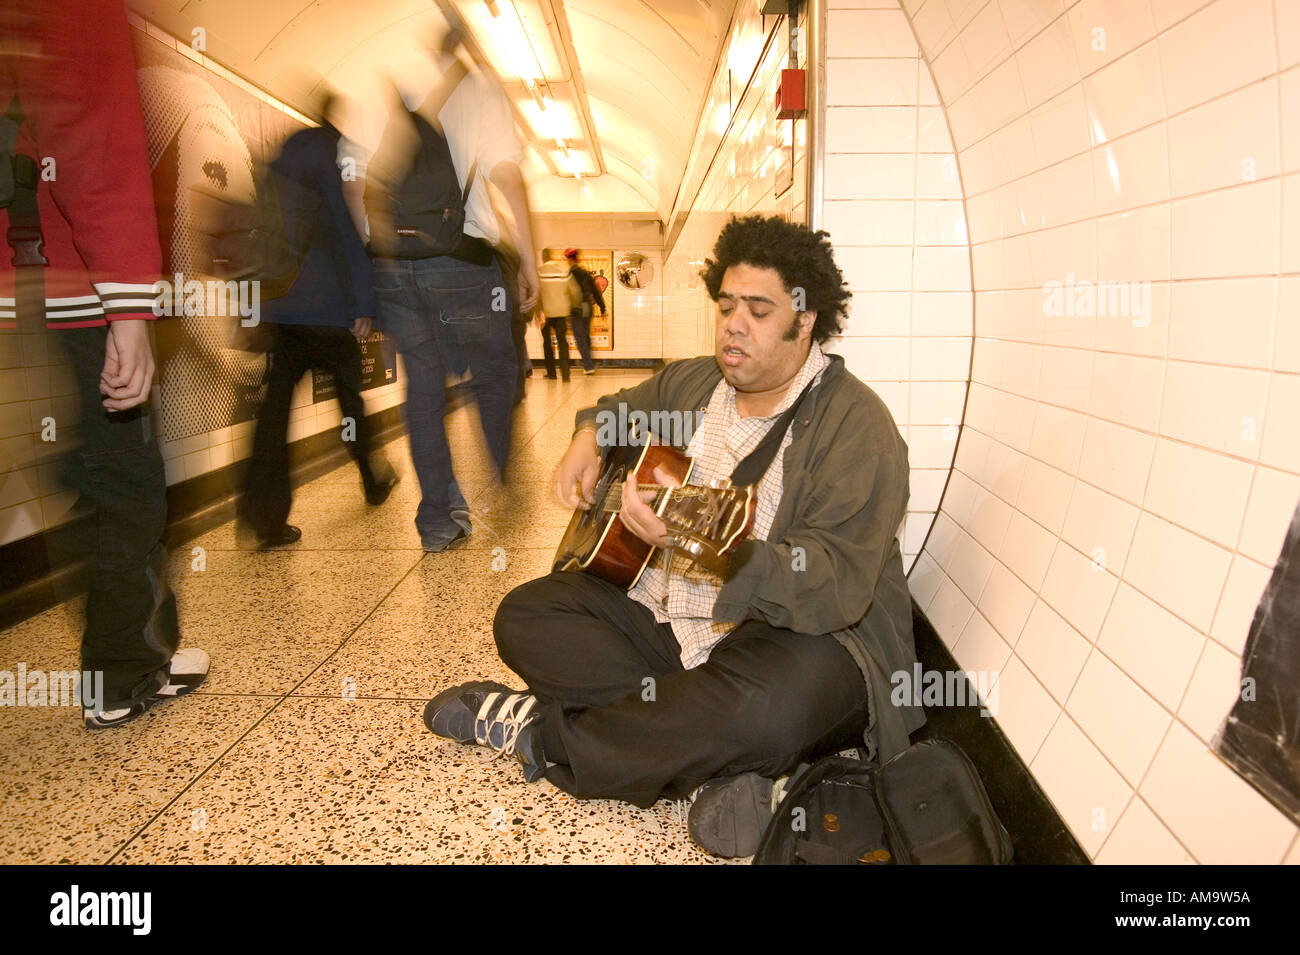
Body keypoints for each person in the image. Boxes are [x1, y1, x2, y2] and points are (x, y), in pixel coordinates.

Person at [423, 215, 924, 856]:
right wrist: (588, 435)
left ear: (805, 321)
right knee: (528, 615)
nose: (733, 325)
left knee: (766, 710)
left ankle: (544, 734)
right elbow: (624, 405)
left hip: (798, 644)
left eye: (759, 311)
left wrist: (703, 547)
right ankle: (731, 761)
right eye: (726, 306)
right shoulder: (696, 385)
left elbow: (831, 587)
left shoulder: (856, 427)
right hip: (672, 626)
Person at [0, 0, 209, 728]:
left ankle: (144, 640)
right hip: (67, 277)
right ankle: (122, 671)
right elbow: (90, 125)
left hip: (21, 271)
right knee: (124, 475)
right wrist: (128, 303)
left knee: (88, 466)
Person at [358, 30, 538, 552]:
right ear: (466, 45)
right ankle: (503, 474)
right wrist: (527, 257)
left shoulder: (386, 84)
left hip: (393, 267)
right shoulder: (483, 90)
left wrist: (377, 266)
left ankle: (438, 518)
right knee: (497, 370)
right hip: (460, 261)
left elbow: (357, 187)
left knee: (423, 392)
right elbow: (507, 175)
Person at [236, 91, 398, 549]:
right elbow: (349, 230)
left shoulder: (283, 156)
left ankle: (261, 515)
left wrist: (252, 305)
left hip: (280, 311)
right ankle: (373, 477)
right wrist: (365, 304)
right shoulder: (334, 156)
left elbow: (260, 237)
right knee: (350, 402)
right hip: (326, 312)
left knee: (272, 417)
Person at [537, 250, 579, 381]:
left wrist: (537, 311)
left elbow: (535, 292)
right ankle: (565, 375)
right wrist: (572, 307)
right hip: (561, 313)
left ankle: (551, 374)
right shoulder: (563, 272)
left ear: (543, 258)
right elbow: (575, 291)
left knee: (547, 343)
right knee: (562, 342)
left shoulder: (538, 272)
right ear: (551, 257)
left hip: (546, 313)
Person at [564, 247, 605, 375]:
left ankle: (588, 366)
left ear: (569, 260)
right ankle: (589, 363)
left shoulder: (569, 274)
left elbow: (565, 294)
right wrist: (602, 306)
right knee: (585, 335)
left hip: (576, 308)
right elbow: (595, 291)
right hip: (587, 306)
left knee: (580, 337)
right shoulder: (586, 273)